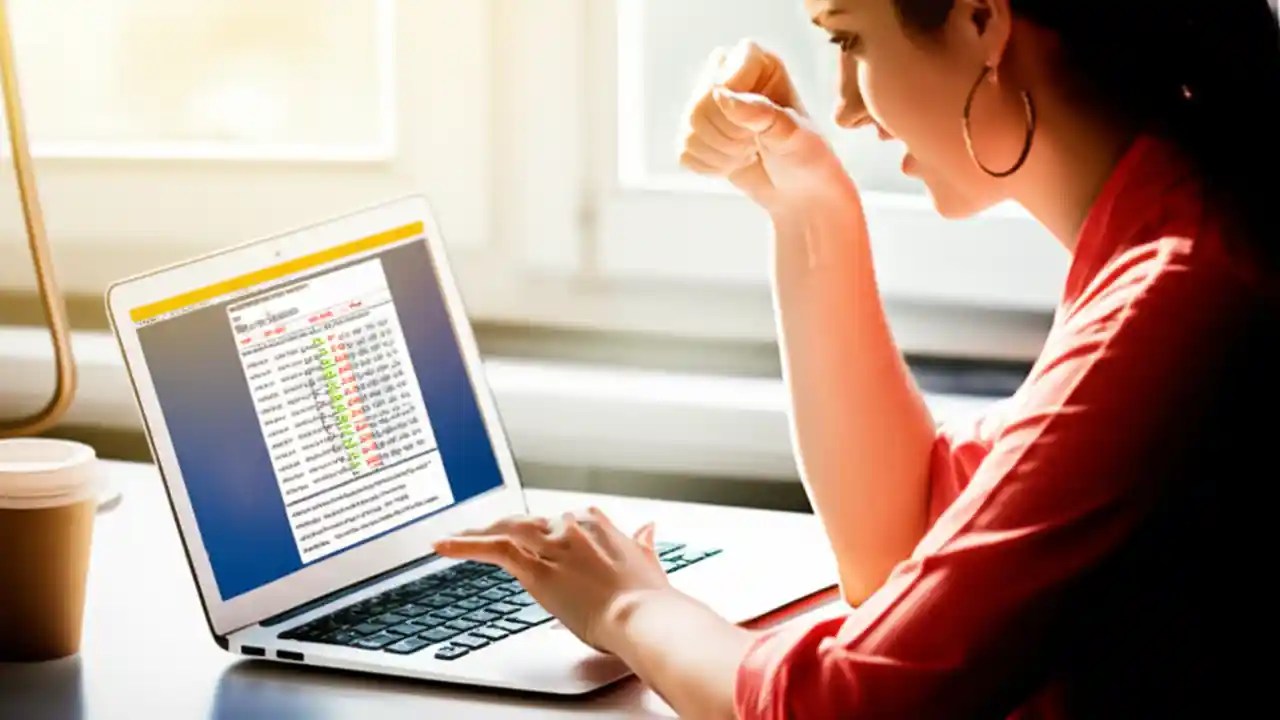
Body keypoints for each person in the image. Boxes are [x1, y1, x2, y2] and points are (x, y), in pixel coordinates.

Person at [435, 1, 1280, 717]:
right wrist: (806, 204)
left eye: (850, 41)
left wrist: (629, 605)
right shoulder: (1170, 230)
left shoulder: (1177, 289)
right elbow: (905, 541)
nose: (842, 106)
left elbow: (852, 705)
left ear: (983, 20)